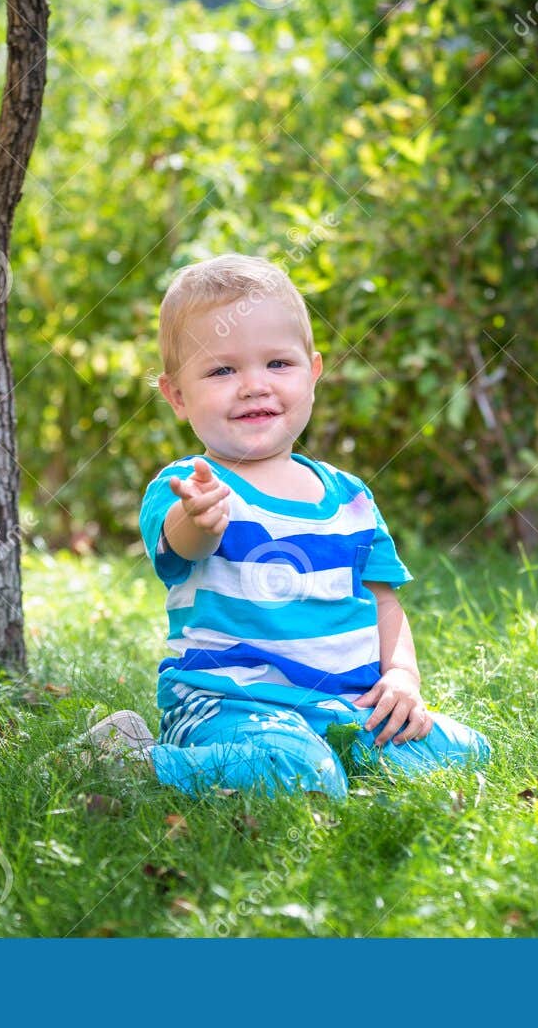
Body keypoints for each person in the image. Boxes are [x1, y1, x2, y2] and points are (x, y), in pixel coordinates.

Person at [79, 253, 491, 799]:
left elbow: (383, 601)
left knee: (462, 751)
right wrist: (201, 519)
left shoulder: (351, 497)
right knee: (301, 771)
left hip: (345, 707)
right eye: (222, 370)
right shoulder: (190, 485)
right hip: (229, 705)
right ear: (177, 394)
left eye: (278, 364)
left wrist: (401, 678)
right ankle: (131, 763)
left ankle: (335, 759)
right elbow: (183, 541)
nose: (254, 385)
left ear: (313, 372)